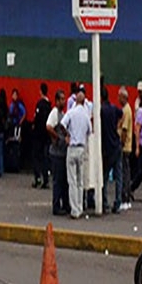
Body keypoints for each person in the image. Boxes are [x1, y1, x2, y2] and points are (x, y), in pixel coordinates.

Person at [61, 87, 92, 219]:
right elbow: (90, 131)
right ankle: (80, 207)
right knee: (80, 181)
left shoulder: (71, 112)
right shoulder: (86, 115)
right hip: (82, 148)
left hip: (72, 147)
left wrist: (67, 135)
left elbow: (62, 124)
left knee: (72, 181)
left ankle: (74, 210)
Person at [99, 84, 123, 213]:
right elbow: (122, 114)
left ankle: (104, 202)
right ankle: (117, 203)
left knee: (104, 177)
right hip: (116, 144)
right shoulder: (114, 108)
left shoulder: (101, 111)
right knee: (119, 176)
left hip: (107, 147)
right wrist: (117, 126)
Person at [46, 89, 70, 216]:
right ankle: (56, 206)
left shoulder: (62, 113)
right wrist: (58, 137)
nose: (64, 101)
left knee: (64, 181)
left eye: (64, 99)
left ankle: (65, 204)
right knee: (58, 181)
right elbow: (48, 127)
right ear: (56, 101)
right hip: (56, 153)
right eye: (61, 99)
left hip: (62, 153)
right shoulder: (55, 113)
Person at [32, 83, 52, 189]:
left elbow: (36, 119)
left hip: (38, 135)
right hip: (47, 135)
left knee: (36, 157)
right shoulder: (49, 105)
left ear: (40, 91)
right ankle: (46, 179)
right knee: (45, 157)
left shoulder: (40, 104)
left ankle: (37, 178)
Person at [117, 86, 134, 210]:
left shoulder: (126, 111)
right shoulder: (127, 109)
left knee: (124, 173)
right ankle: (126, 197)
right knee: (126, 172)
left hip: (124, 146)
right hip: (127, 146)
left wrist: (121, 143)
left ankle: (125, 197)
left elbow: (124, 130)